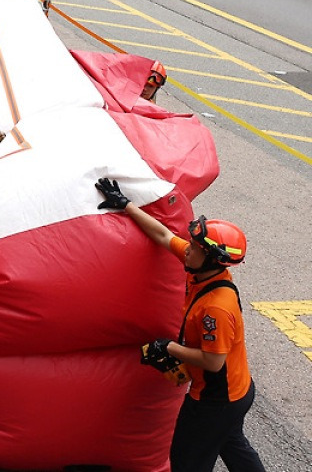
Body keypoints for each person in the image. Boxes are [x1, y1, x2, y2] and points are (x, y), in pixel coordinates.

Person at [95, 178, 264, 472]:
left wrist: (168, 347)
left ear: (213, 258)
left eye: (196, 247)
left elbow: (213, 361)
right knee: (232, 444)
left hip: (216, 399)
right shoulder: (201, 271)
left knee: (187, 459)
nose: (188, 249)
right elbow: (162, 234)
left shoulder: (217, 307)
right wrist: (125, 205)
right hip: (237, 391)